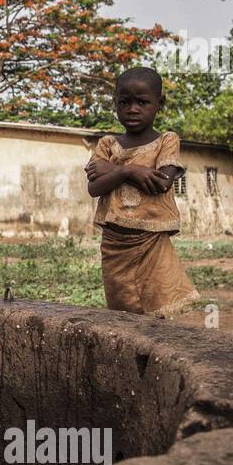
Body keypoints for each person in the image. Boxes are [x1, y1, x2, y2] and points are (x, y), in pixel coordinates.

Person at [85, 66, 199, 317]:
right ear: (115, 104)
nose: (132, 109)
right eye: (124, 102)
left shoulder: (167, 140)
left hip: (151, 239)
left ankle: (154, 347)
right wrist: (129, 172)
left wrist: (112, 169)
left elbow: (162, 182)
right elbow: (94, 187)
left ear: (159, 104)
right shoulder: (107, 143)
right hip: (115, 242)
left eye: (142, 102)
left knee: (156, 299)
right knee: (122, 305)